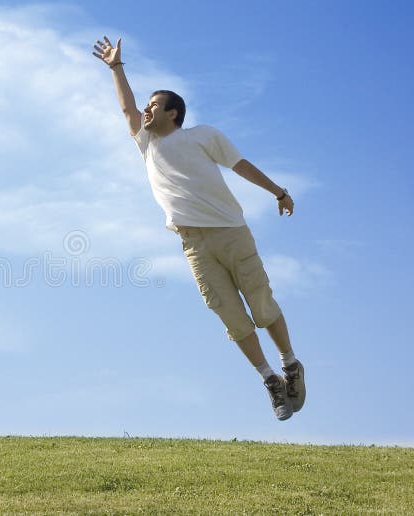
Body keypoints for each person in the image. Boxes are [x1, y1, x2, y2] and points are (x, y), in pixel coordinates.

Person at [93, 36, 305, 421]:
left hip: (230, 232)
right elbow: (126, 107)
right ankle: (270, 380)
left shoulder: (203, 136)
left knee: (260, 303)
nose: (145, 110)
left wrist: (279, 191)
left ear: (173, 114)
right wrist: (115, 67)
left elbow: (241, 165)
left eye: (154, 105)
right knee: (228, 314)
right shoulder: (146, 145)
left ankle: (290, 364)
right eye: (146, 106)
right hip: (192, 244)